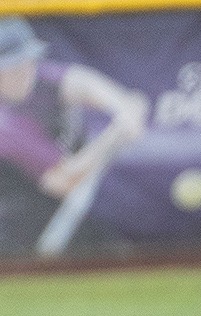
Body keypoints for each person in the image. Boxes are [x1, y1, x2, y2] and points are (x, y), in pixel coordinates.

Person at [0, 16, 148, 257]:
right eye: (11, 66)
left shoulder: (38, 78)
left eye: (27, 60)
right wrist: (114, 135)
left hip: (51, 210)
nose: (23, 71)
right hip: (15, 225)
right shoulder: (4, 123)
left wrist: (121, 104)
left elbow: (78, 81)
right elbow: (62, 181)